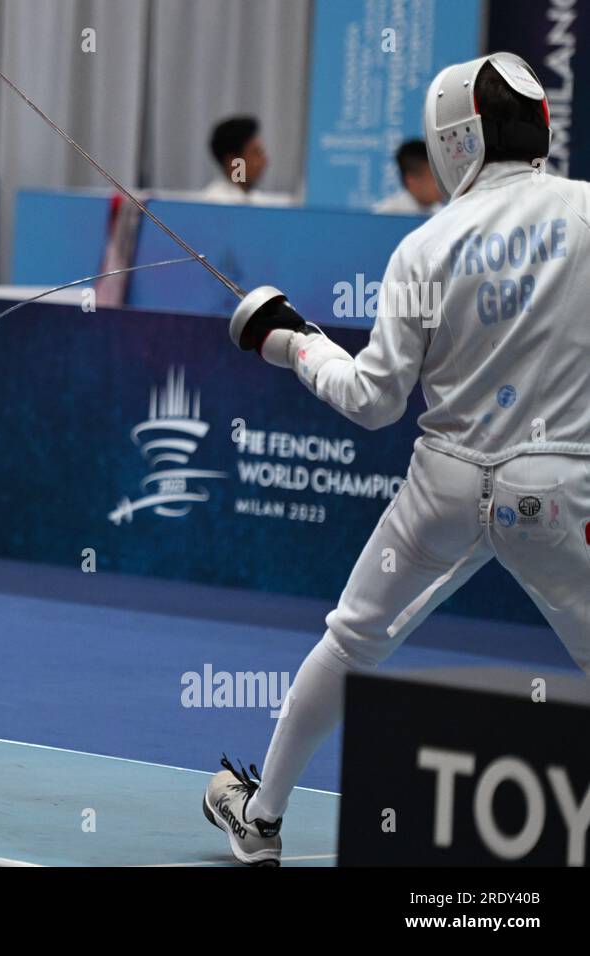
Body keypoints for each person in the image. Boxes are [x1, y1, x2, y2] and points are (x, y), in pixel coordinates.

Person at [208, 53, 589, 865]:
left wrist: (288, 343)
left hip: (444, 487)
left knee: (350, 643)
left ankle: (262, 820)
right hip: (556, 490)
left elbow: (374, 400)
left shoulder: (425, 247)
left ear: (454, 141)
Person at [199, 115, 269, 205]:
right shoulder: (214, 204)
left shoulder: (258, 200)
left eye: (262, 153)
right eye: (255, 154)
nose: (264, 161)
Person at [373, 139, 443, 215]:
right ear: (412, 181)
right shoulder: (387, 215)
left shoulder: (442, 213)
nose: (442, 184)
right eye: (435, 177)